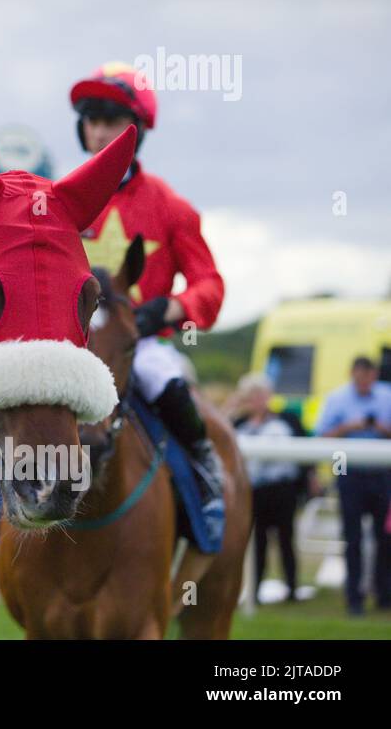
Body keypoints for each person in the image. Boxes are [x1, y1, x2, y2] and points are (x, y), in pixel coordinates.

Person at [68, 63, 227, 536]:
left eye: (111, 121)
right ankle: (3, 495)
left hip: (141, 346)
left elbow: (210, 286)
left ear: (135, 132)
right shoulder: (60, 200)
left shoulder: (171, 208)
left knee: (169, 384)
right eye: (91, 120)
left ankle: (206, 479)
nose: (99, 132)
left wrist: (171, 307)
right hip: (71, 345)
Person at [315, 355, 391, 615]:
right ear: (352, 374)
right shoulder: (337, 399)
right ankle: (354, 598)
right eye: (359, 377)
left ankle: (384, 594)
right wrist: (348, 427)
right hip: (350, 474)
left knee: (386, 536)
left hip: (383, 474)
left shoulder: (386, 395)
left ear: (374, 375)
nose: (364, 382)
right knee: (353, 537)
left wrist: (381, 428)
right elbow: (321, 434)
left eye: (368, 377)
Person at [233, 373, 311, 601]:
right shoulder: (239, 424)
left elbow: (306, 449)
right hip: (252, 492)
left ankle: (292, 588)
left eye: (261, 395)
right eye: (252, 396)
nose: (257, 401)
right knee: (257, 542)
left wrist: (308, 482)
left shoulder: (287, 419)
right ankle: (254, 591)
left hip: (283, 489)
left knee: (286, 538)